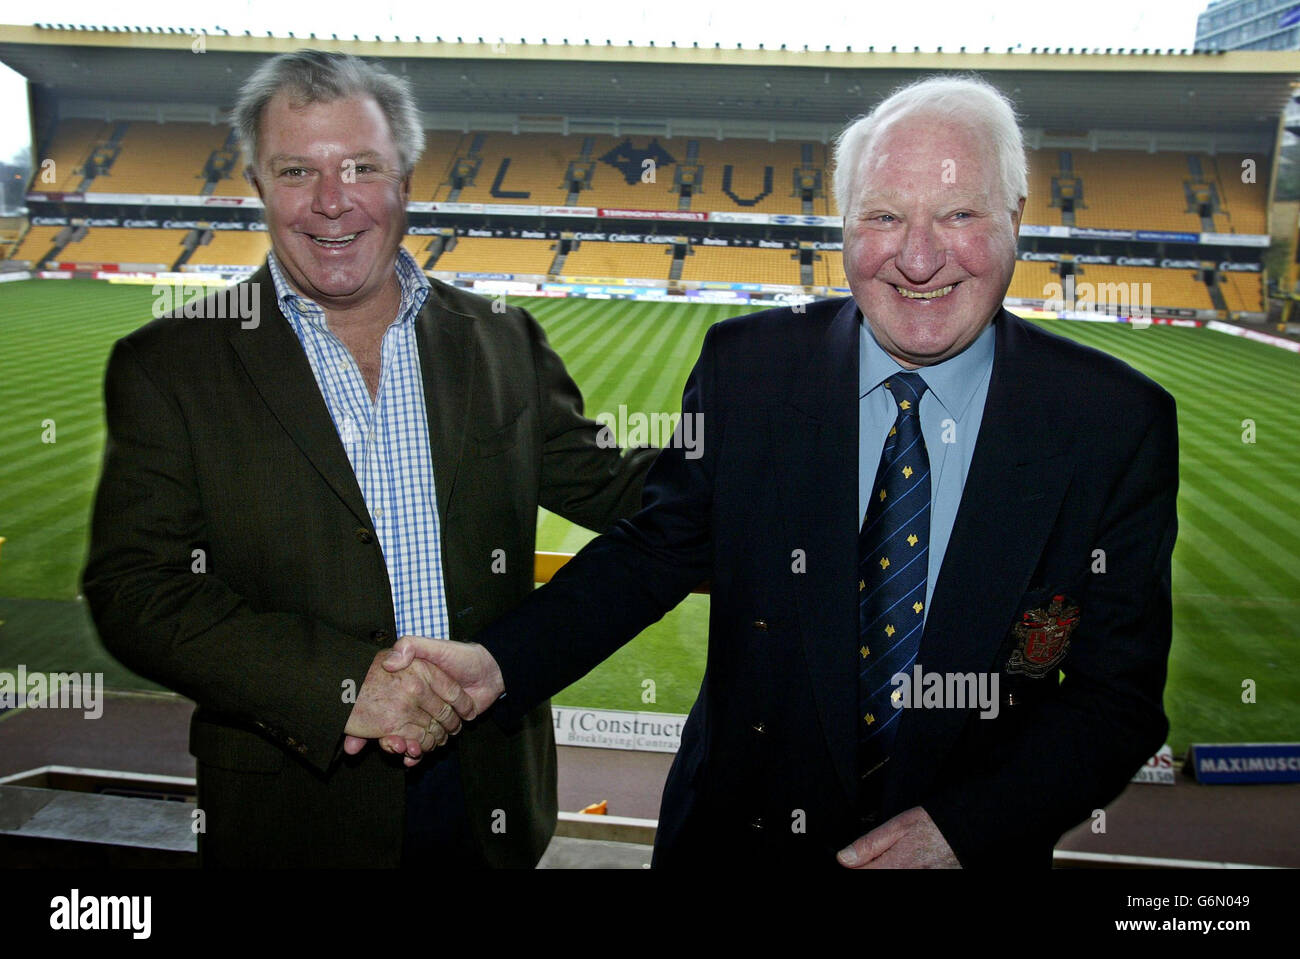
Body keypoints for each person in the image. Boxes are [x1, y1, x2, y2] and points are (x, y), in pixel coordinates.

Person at [386, 74, 1179, 869]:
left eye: (959, 213)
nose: (918, 255)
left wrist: (964, 829)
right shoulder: (750, 369)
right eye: (883, 216)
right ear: (842, 228)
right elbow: (653, 552)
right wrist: (497, 663)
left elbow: (1117, 700)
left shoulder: (1114, 423)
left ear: (1015, 220)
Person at [81, 50, 656, 868]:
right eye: (294, 170)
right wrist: (346, 687)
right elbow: (135, 588)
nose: (330, 202)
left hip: (486, 795)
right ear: (256, 186)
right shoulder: (169, 364)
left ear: (406, 180)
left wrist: (781, 450)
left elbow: (621, 487)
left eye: (360, 166)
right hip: (293, 810)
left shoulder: (502, 340)